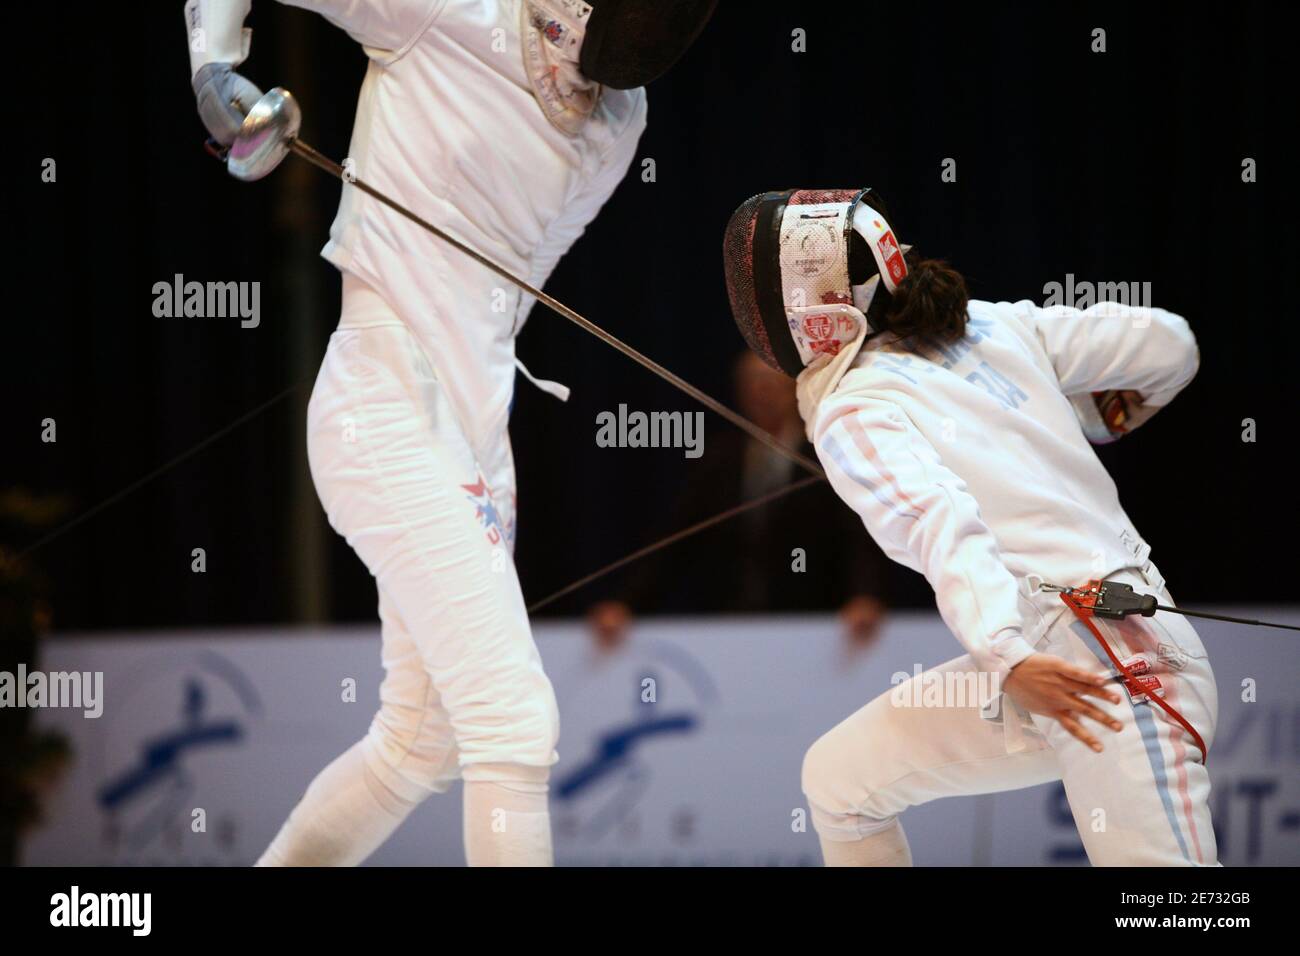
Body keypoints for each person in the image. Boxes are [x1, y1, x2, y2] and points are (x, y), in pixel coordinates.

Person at [184, 0, 715, 866]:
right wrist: (213, 63)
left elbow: (515, 281)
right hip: (383, 402)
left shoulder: (624, 116)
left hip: (475, 434)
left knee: (418, 747)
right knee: (512, 718)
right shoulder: (446, 10)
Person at [722, 187, 1216, 866]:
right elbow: (1169, 344)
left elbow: (941, 519)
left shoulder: (855, 407)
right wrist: (1087, 421)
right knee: (839, 781)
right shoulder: (993, 326)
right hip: (1070, 653)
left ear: (815, 309)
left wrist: (1003, 654)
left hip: (1104, 664)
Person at [588, 351, 891, 651]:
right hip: (731, 626)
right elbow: (676, 540)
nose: (762, 393)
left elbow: (856, 535)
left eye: (770, 383)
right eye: (753, 384)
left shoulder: (824, 454)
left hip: (813, 626)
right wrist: (626, 604)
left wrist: (864, 595)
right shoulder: (721, 459)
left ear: (793, 388)